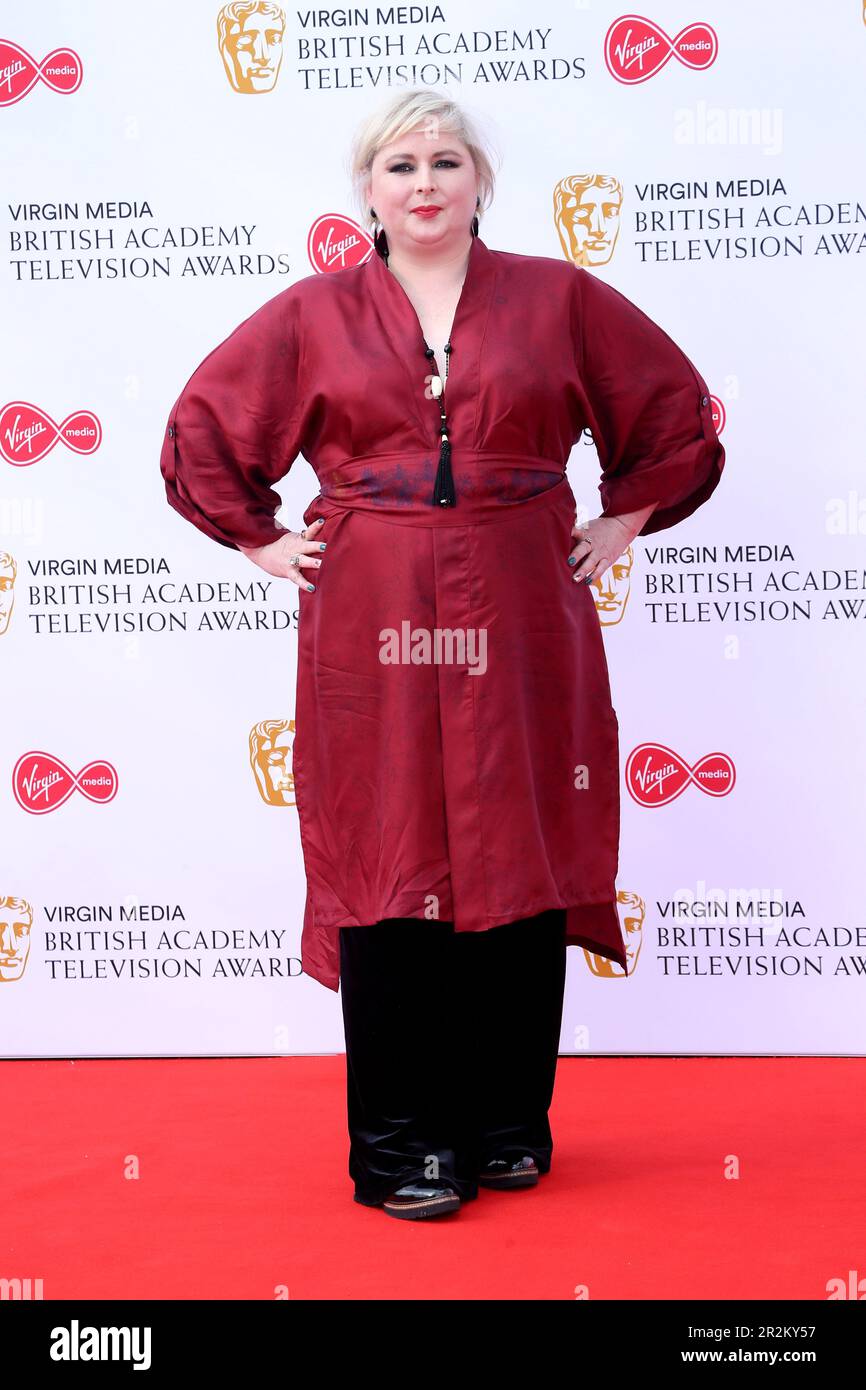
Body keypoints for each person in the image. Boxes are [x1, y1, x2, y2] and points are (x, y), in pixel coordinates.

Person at [159, 89, 725, 1220]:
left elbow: (672, 416)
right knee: (391, 860)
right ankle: (406, 1143)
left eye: (446, 162)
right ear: (366, 190)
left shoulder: (559, 300)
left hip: (522, 602)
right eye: (401, 165)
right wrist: (265, 540)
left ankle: (507, 1123)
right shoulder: (312, 314)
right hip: (370, 614)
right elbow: (203, 435)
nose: (425, 183)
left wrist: (621, 518)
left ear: (480, 184)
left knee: (520, 845)